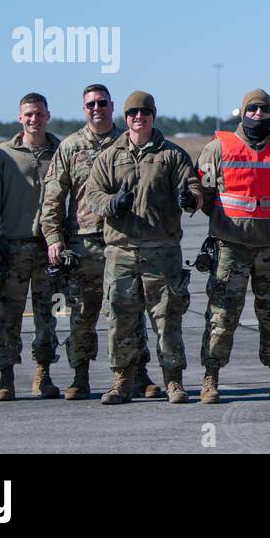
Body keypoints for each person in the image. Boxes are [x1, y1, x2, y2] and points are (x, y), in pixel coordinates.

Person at [41, 83, 158, 400]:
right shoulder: (70, 147)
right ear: (84, 109)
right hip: (85, 242)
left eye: (102, 103)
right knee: (82, 313)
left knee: (129, 312)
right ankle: (80, 375)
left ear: (111, 105)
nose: (97, 109)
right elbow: (53, 197)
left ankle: (137, 374)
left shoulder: (128, 143)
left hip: (123, 240)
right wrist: (53, 237)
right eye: (91, 104)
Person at [85, 91, 201, 404]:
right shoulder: (110, 155)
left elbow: (193, 187)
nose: (140, 117)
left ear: (153, 114)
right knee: (120, 320)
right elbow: (92, 194)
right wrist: (112, 203)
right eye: (134, 112)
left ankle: (173, 381)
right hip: (121, 252)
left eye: (145, 111)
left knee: (167, 319)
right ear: (126, 117)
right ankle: (122, 380)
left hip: (161, 252)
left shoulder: (172, 155)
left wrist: (191, 199)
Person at [194, 89, 270, 403]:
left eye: (264, 109)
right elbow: (205, 193)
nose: (258, 114)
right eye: (252, 109)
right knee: (222, 315)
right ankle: (210, 378)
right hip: (231, 247)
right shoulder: (218, 147)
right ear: (243, 112)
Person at [0, 92, 63, 401]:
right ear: (20, 117)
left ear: (47, 115)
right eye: (28, 114)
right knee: (6, 318)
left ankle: (44, 373)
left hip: (50, 250)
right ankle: (6, 376)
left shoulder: (62, 151)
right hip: (12, 248)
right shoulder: (3, 155)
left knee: (48, 315)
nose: (34, 118)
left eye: (39, 113)